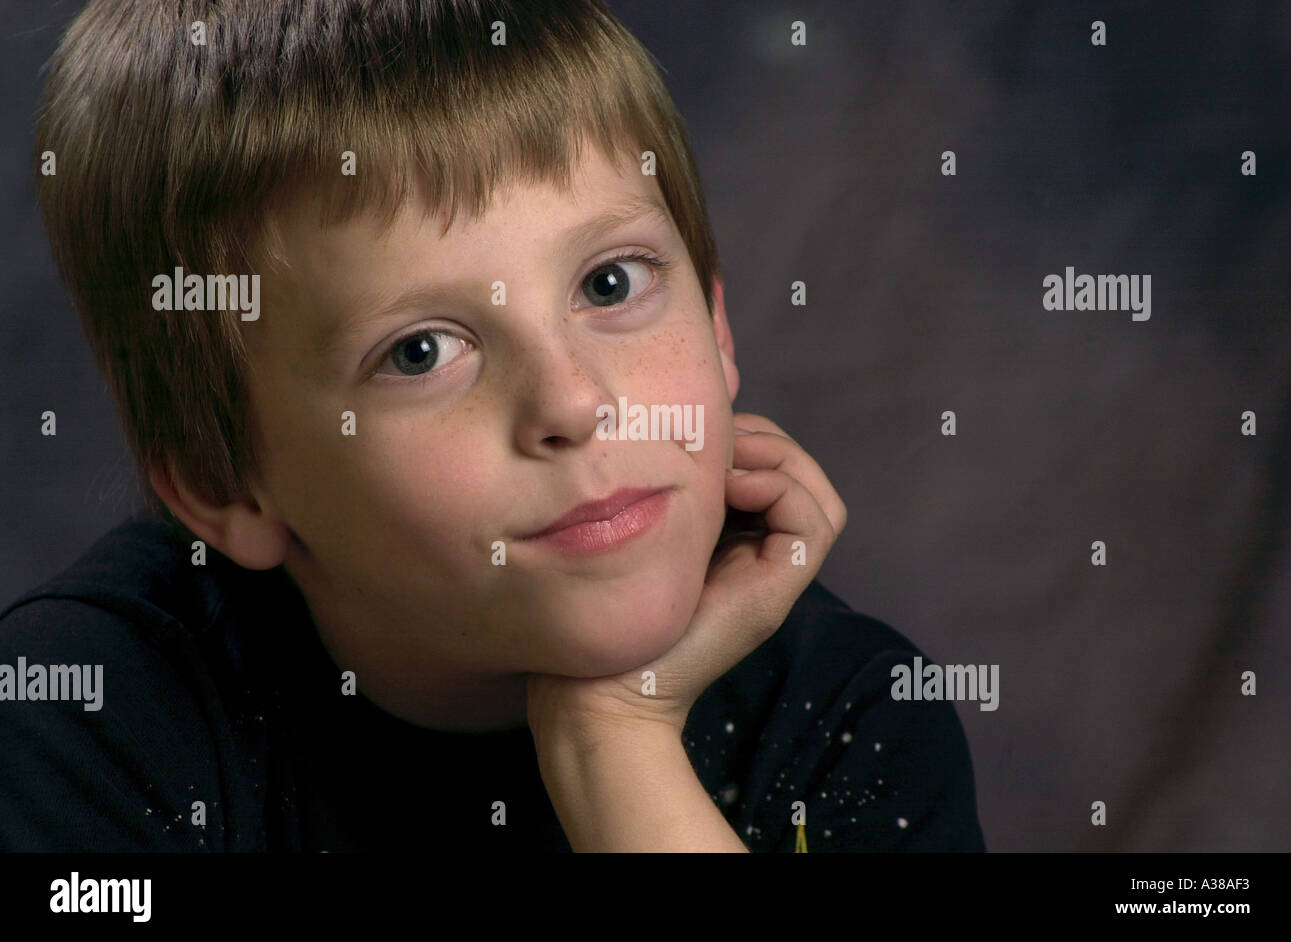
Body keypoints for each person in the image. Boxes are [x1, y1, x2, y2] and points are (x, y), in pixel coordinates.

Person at [1, 0, 985, 852]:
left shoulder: (846, 716)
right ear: (226, 483)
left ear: (718, 322)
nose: (574, 403)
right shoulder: (77, 723)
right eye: (421, 352)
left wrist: (618, 742)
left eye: (611, 283)